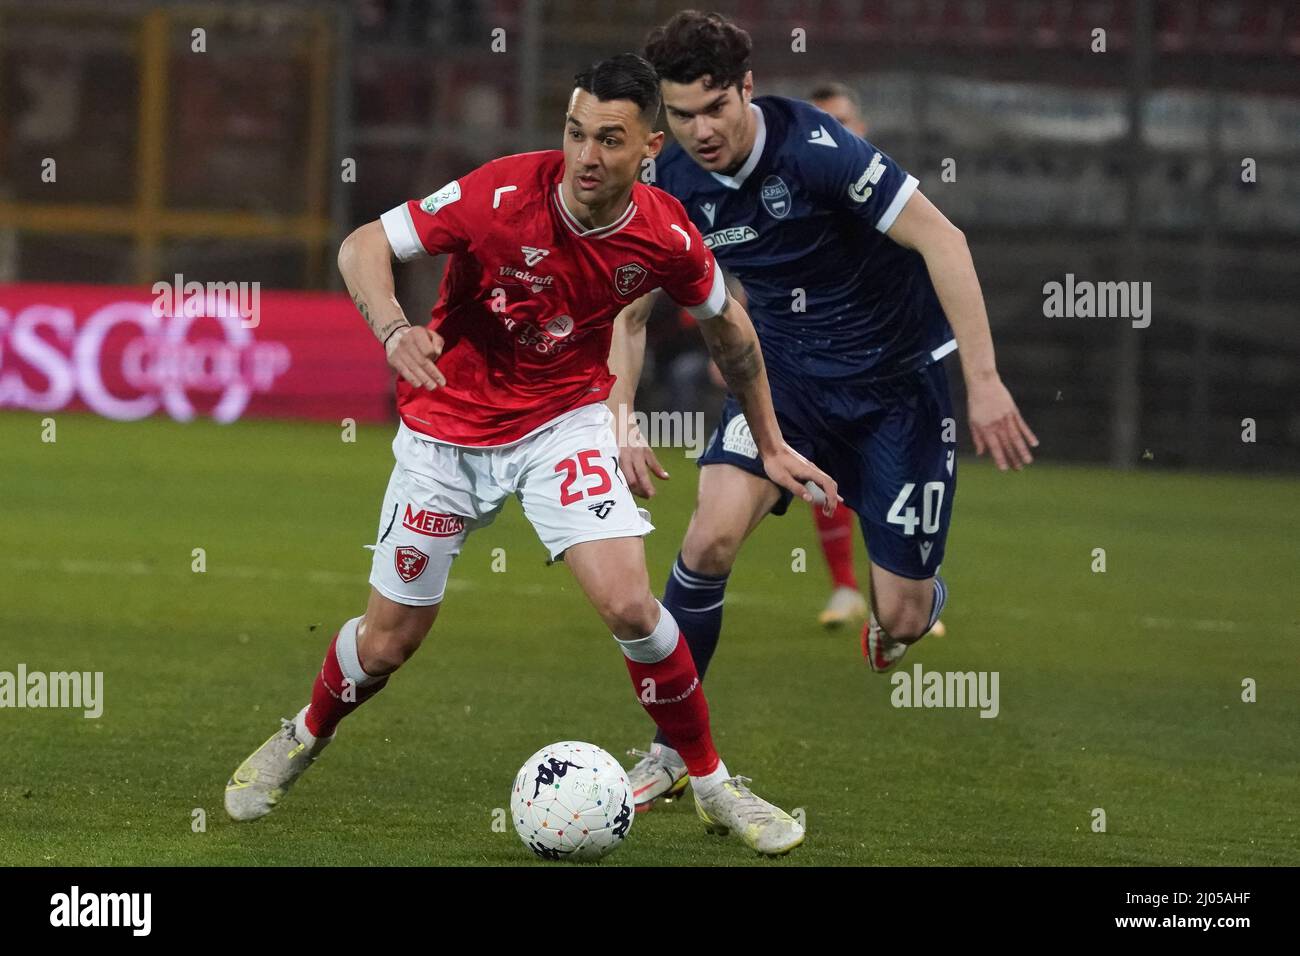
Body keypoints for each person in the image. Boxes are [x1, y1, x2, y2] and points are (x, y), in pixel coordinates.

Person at [222, 53, 837, 857]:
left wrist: (771, 443)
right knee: (386, 645)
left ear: (650, 148)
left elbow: (733, 333)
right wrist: (395, 328)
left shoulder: (666, 234)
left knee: (629, 607)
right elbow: (363, 245)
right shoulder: (501, 191)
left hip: (561, 423)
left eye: (610, 140)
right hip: (446, 431)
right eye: (577, 132)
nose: (586, 155)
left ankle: (713, 784)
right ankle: (305, 732)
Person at [612, 12, 1036, 810]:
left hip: (897, 392)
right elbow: (629, 312)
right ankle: (672, 749)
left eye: (714, 108)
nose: (700, 130)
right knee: (706, 539)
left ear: (747, 88)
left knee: (901, 618)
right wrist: (621, 412)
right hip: (787, 387)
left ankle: (914, 602)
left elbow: (945, 241)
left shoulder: (817, 151)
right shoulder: (667, 182)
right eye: (680, 115)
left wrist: (983, 383)